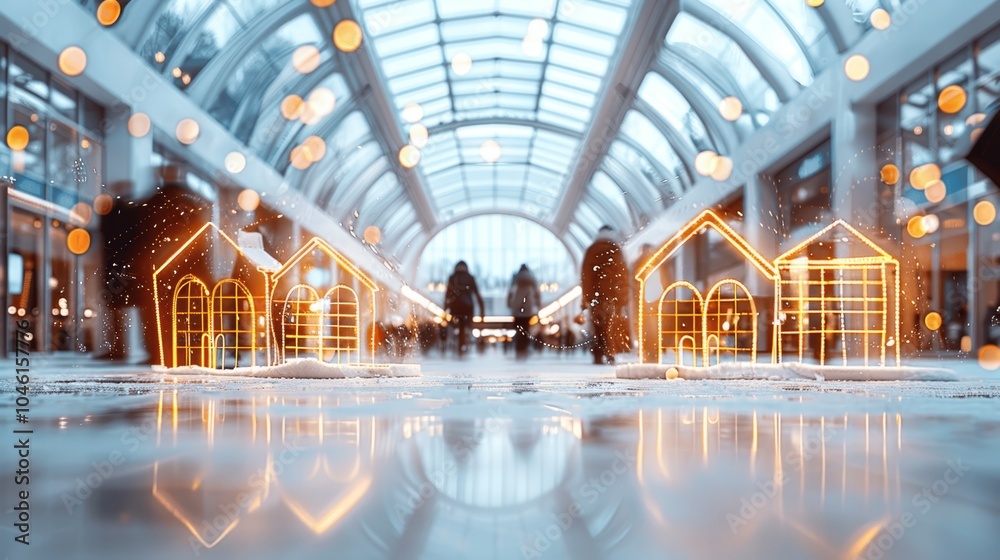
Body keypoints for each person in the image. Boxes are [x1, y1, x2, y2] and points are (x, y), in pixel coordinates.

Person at [581, 226, 630, 364]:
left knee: (598, 325)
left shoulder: (591, 250)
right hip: (613, 296)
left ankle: (597, 354)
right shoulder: (616, 250)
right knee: (612, 324)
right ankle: (610, 352)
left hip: (596, 297)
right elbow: (623, 274)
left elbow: (586, 276)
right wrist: (623, 297)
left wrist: (587, 297)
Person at [444, 261, 485, 357]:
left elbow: (447, 295)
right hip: (468, 308)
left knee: (457, 325)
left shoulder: (452, 277)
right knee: (464, 325)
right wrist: (482, 311)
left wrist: (445, 310)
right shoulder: (470, 277)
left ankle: (458, 342)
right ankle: (463, 343)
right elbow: (477, 295)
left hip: (455, 307)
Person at [507, 264, 541, 359]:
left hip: (516, 307)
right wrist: (538, 304)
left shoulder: (515, 278)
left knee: (518, 328)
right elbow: (537, 293)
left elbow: (510, 292)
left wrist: (509, 303)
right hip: (528, 308)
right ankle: (524, 346)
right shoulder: (532, 278)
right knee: (526, 329)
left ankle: (518, 345)